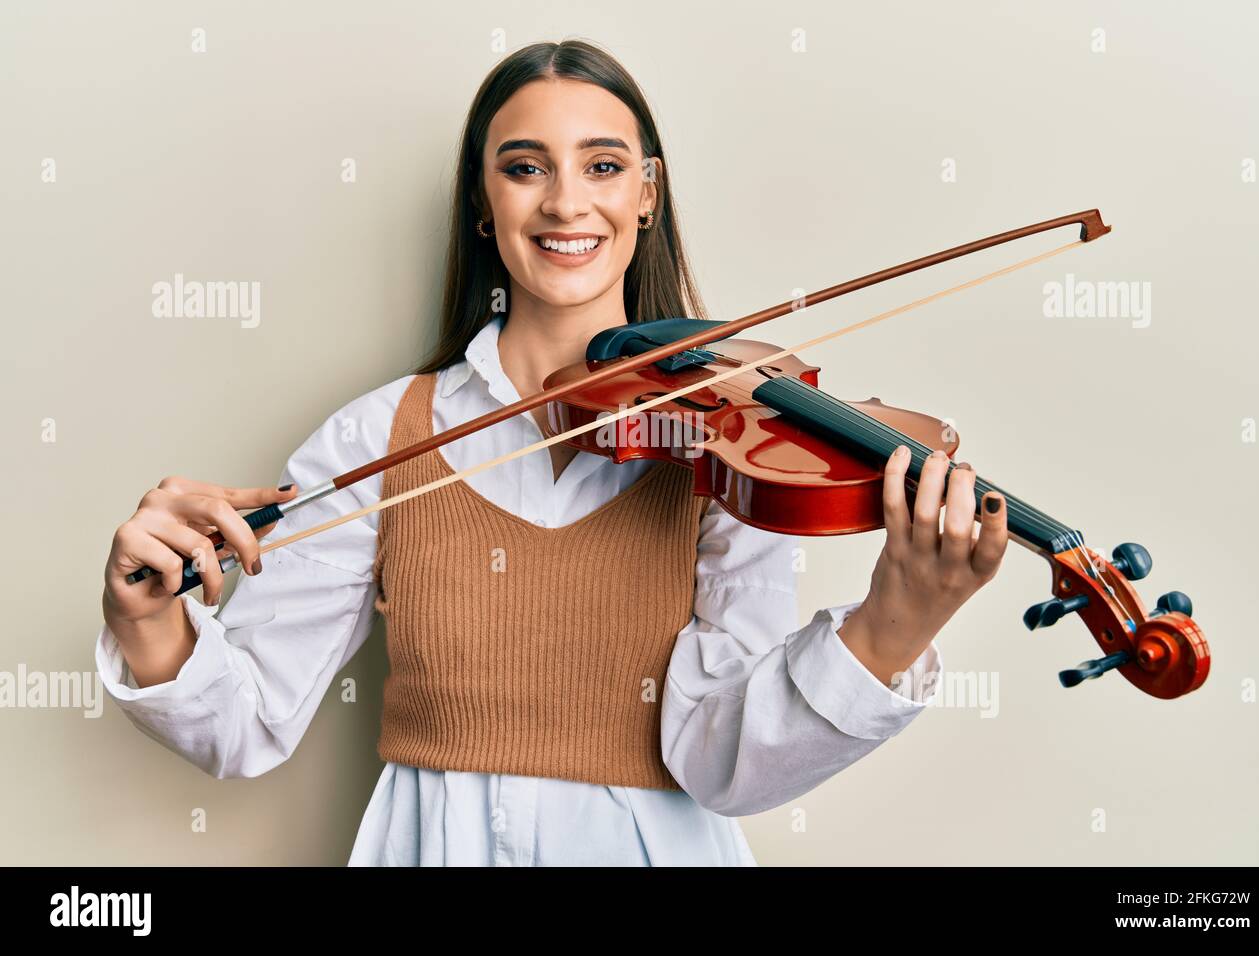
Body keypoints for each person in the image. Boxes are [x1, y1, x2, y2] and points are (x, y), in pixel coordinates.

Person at [96, 39, 1008, 866]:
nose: (567, 201)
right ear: (484, 205)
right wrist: (146, 618)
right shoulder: (379, 434)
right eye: (525, 167)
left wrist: (893, 624)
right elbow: (246, 721)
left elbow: (726, 765)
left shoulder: (733, 442)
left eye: (603, 166)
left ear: (644, 195)